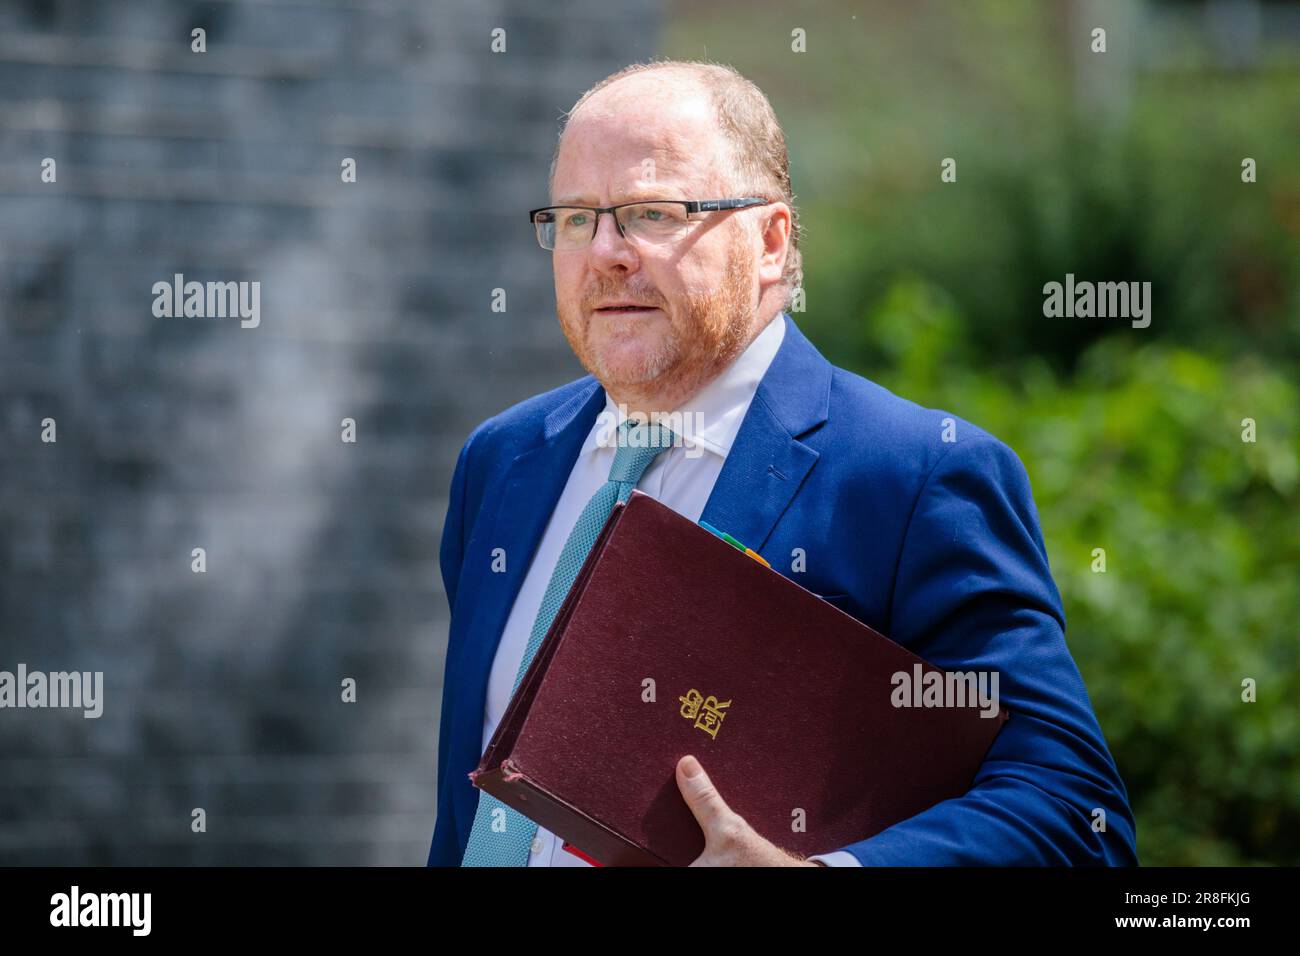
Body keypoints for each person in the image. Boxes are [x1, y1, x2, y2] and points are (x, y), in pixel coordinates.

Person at [427, 58, 1137, 867]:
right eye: (576, 217)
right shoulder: (504, 461)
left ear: (770, 240)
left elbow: (1075, 814)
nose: (605, 253)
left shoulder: (915, 477)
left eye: (652, 214)